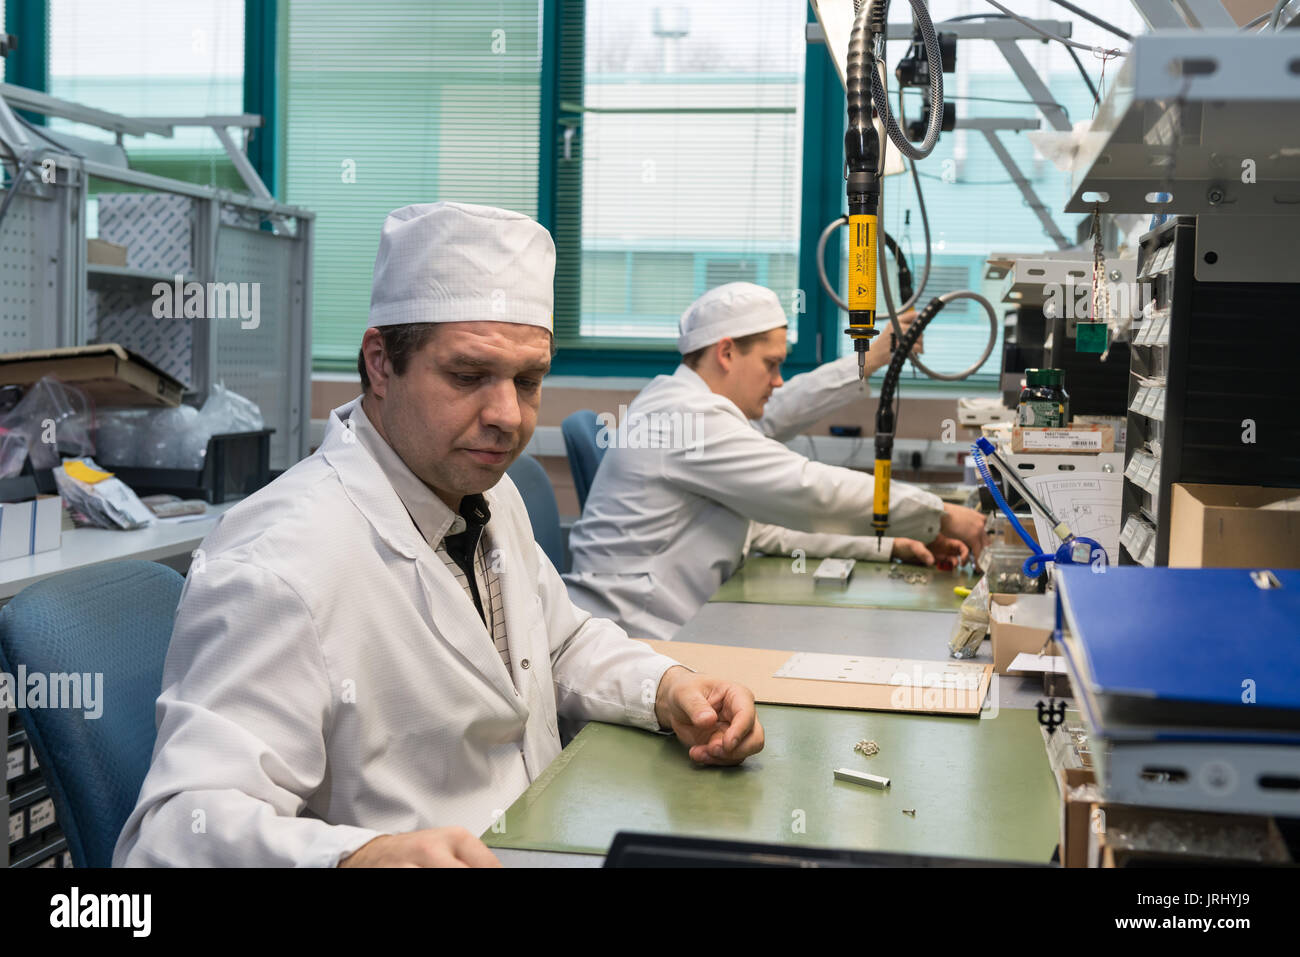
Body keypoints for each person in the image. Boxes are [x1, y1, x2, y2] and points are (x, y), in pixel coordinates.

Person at [114, 203, 763, 869]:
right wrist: (357, 857)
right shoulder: (279, 563)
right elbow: (174, 835)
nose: (507, 416)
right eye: (467, 375)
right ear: (379, 364)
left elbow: (560, 641)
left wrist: (668, 686)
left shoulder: (482, 490)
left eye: (528, 380)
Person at [564, 282, 985, 643]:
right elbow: (807, 491)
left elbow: (765, 525)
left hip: (660, 629)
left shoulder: (687, 408)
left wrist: (892, 542)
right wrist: (941, 514)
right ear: (726, 353)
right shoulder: (687, 419)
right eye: (772, 364)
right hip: (631, 640)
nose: (778, 379)